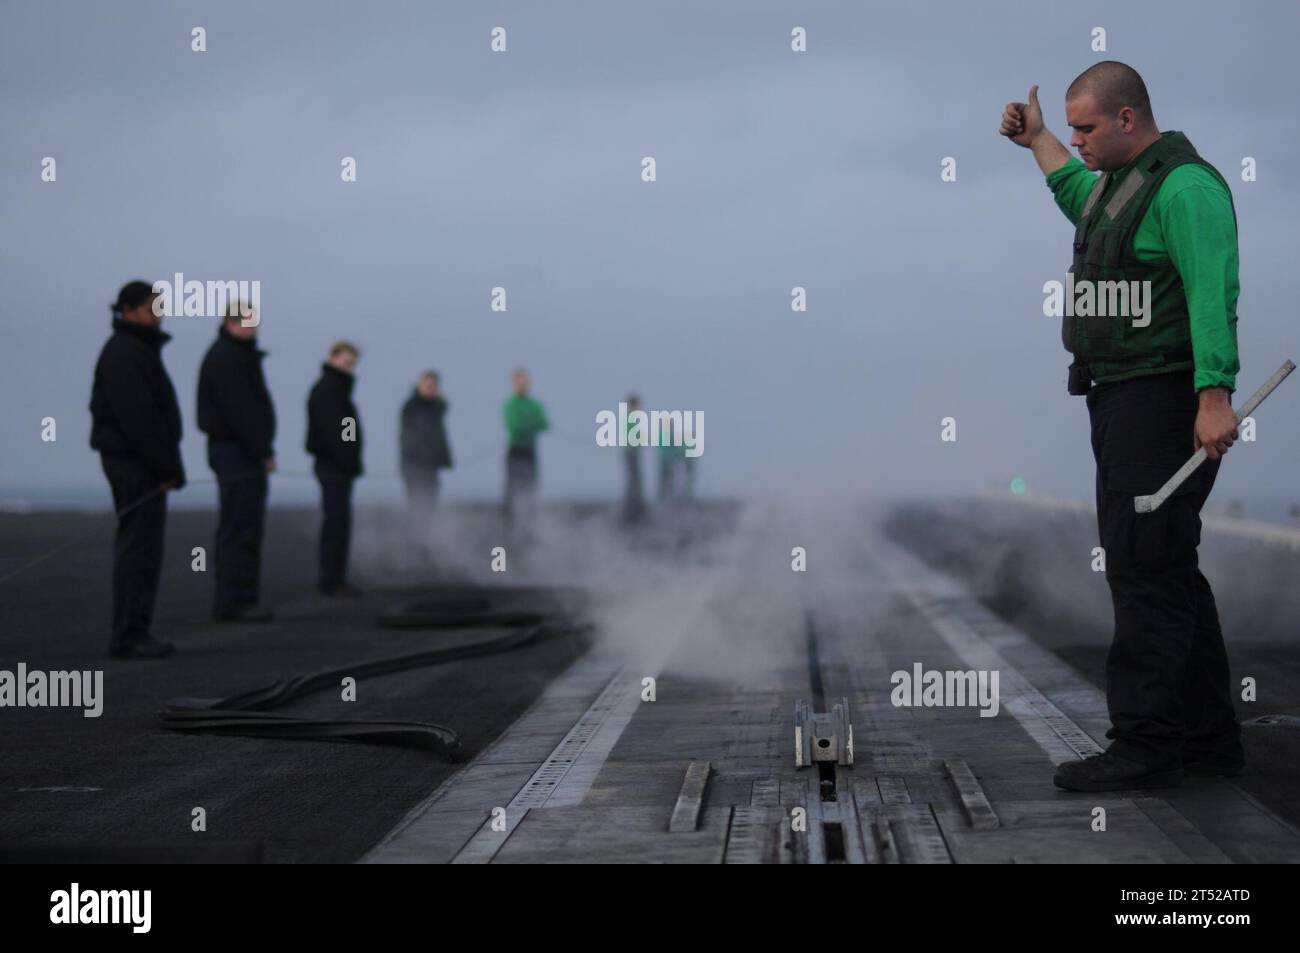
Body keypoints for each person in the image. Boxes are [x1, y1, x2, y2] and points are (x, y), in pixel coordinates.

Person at [1001, 61, 1243, 790]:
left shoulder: (1187, 189)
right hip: (1122, 399)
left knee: (1141, 569)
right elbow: (1080, 198)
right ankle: (1206, 740)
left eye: (1085, 128)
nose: (1075, 141)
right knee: (1167, 566)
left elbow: (1211, 292)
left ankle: (1145, 742)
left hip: (1163, 402)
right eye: (1067, 127)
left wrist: (1213, 395)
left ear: (1128, 119)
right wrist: (1039, 140)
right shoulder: (1120, 186)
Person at [89, 280, 185, 659]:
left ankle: (134, 629)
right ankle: (129, 634)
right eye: (150, 308)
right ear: (127, 310)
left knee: (143, 547)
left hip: (142, 463)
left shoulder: (136, 350)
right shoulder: (124, 353)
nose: (157, 315)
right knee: (138, 548)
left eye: (160, 308)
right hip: (135, 465)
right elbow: (140, 420)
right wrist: (166, 469)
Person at [197, 300, 276, 622]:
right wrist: (262, 452)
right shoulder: (227, 358)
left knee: (243, 524)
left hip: (241, 452)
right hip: (236, 453)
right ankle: (234, 600)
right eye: (247, 322)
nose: (253, 327)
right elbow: (240, 412)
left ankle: (240, 597)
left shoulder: (237, 355)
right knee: (239, 525)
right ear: (230, 323)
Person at [306, 342, 363, 595]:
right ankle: (331, 579)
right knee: (335, 521)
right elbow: (334, 432)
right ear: (332, 358)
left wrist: (351, 457)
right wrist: (347, 459)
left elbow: (348, 430)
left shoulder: (340, 392)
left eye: (352, 363)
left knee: (340, 521)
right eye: (345, 361)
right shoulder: (328, 391)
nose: (348, 367)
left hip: (341, 465)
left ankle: (336, 577)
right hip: (332, 466)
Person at [399, 370, 453, 543]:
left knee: (430, 504)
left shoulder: (434, 407)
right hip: (414, 466)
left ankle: (426, 541)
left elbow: (438, 432)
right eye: (428, 385)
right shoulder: (411, 406)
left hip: (431, 466)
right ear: (420, 385)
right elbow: (413, 437)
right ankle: (415, 541)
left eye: (433, 386)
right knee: (417, 505)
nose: (431, 389)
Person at [502, 367, 548, 533]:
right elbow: (514, 425)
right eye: (519, 382)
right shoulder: (510, 404)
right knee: (512, 490)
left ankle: (530, 525)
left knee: (531, 488)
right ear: (514, 384)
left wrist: (528, 423)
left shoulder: (534, 404)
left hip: (530, 452)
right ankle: (509, 526)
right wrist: (531, 423)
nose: (522, 385)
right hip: (515, 451)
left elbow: (544, 424)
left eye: (525, 382)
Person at [621, 393, 646, 523]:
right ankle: (633, 505)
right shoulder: (632, 418)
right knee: (634, 480)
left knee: (633, 479)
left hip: (631, 453)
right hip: (631, 453)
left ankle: (633, 504)